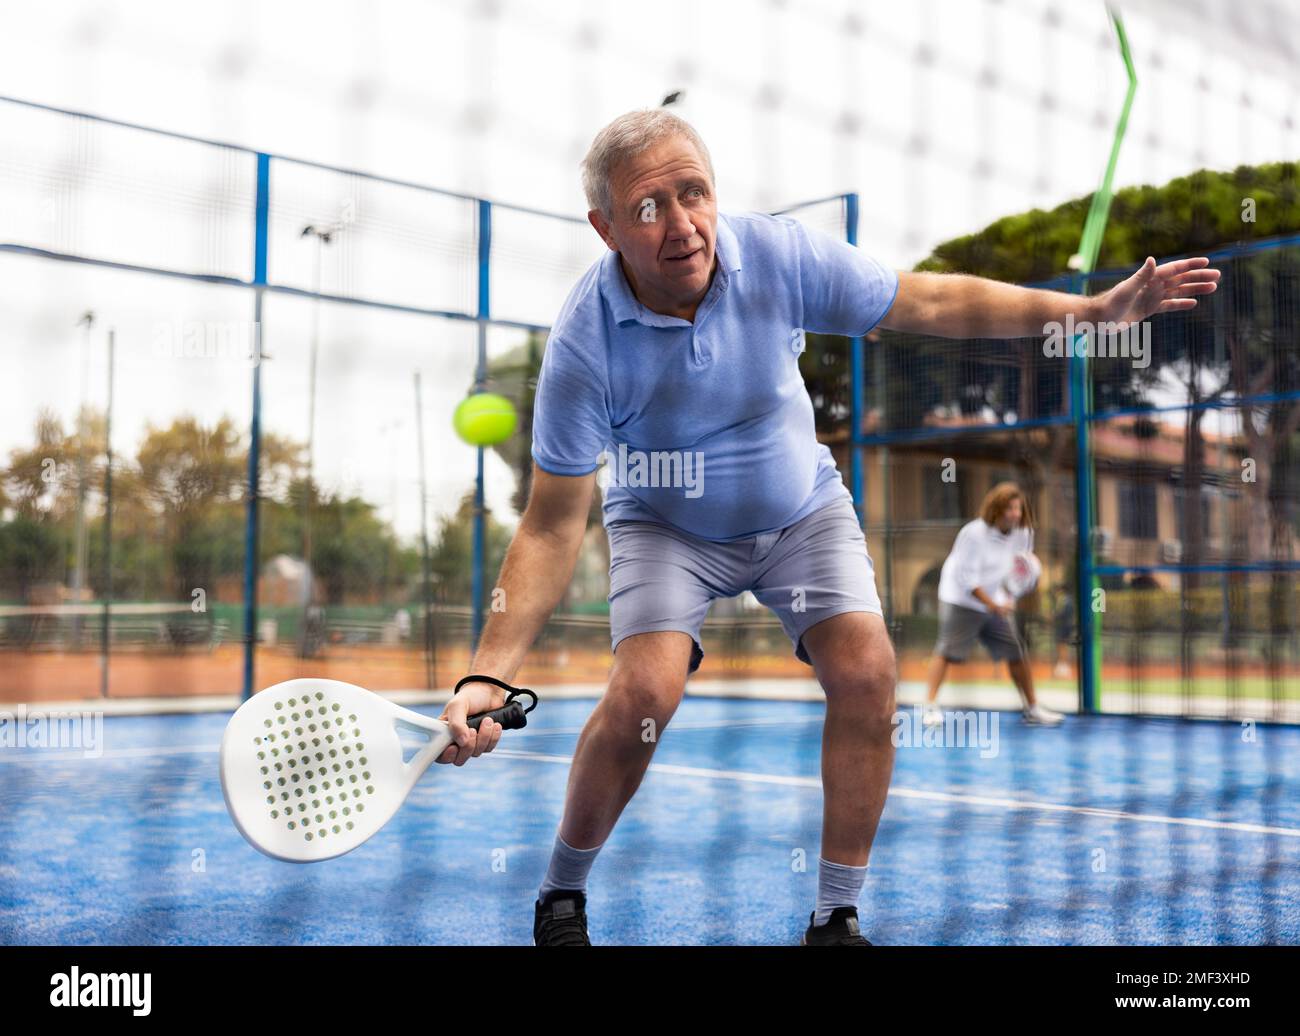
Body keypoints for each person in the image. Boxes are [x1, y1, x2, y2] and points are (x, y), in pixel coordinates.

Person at [432, 109, 1220, 946]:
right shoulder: (584, 342)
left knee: (869, 673)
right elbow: (554, 526)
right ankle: (561, 893)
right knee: (643, 696)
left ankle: (835, 916)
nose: (683, 224)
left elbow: (933, 299)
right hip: (667, 528)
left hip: (800, 510)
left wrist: (1090, 311)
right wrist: (486, 676)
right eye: (650, 208)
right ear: (607, 229)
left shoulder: (777, 255)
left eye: (693, 192)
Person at [922, 483, 1062, 727]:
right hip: (960, 598)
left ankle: (1032, 709)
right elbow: (967, 580)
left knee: (1016, 652)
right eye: (1010, 508)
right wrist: (994, 605)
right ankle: (929, 707)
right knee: (946, 652)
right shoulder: (973, 534)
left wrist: (1008, 598)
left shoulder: (1023, 533)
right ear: (996, 509)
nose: (1016, 514)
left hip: (993, 599)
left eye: (1018, 509)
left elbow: (1018, 570)